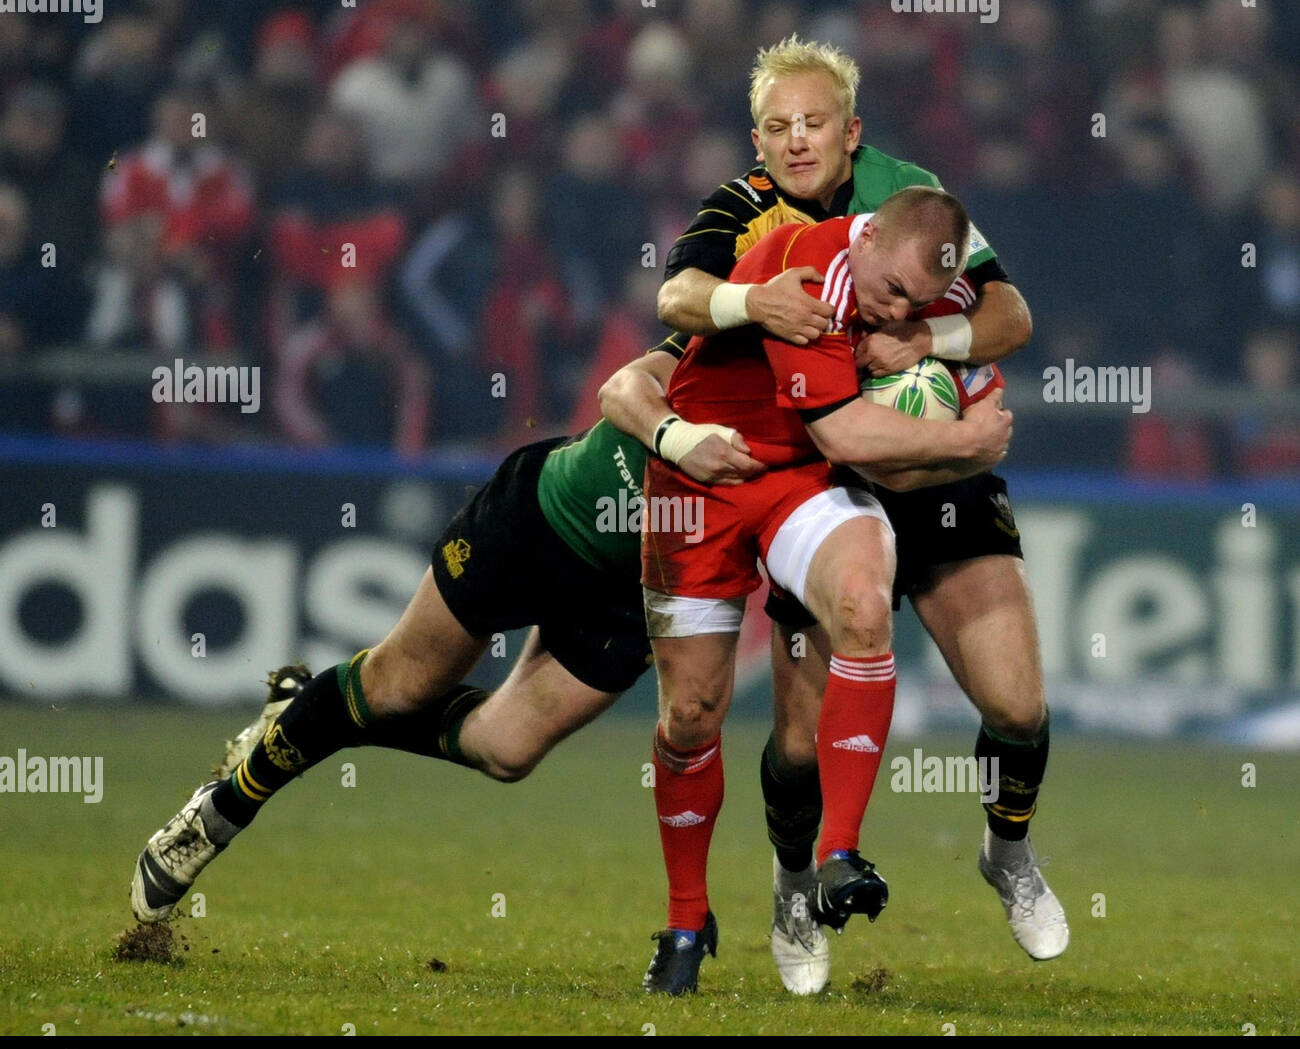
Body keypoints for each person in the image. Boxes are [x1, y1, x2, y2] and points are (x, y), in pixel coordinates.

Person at [603, 34, 1066, 995]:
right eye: (777, 127)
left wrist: (919, 335)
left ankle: (1008, 852)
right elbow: (678, 303)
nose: (797, 140)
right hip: (825, 467)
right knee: (796, 738)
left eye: (813, 122)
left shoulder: (914, 194)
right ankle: (795, 878)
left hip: (932, 468)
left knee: (1018, 705)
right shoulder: (744, 213)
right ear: (757, 140)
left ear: (852, 131)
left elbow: (1012, 316)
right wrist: (747, 305)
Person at [129, 407, 760, 926]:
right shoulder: (731, 324)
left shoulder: (833, 412)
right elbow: (624, 385)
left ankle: (300, 713)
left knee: (507, 751)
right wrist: (673, 434)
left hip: (633, 590)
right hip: (542, 522)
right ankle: (217, 814)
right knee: (395, 686)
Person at [633, 189, 1012, 996]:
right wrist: (961, 441)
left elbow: (1005, 323)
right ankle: (685, 916)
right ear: (867, 236)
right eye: (892, 292)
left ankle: (837, 853)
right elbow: (844, 432)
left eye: (918, 300)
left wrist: (941, 347)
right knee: (691, 714)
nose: (898, 309)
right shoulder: (805, 274)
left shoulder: (917, 287)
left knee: (865, 605)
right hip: (703, 479)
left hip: (801, 485)